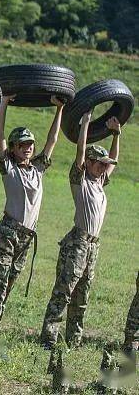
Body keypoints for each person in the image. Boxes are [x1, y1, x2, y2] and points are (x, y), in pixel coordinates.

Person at [0, 95, 65, 343]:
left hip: (27, 238)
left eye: (30, 145)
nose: (28, 148)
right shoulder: (9, 167)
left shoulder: (37, 169)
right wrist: (3, 104)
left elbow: (53, 140)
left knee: (8, 286)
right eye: (22, 144)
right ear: (14, 149)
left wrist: (59, 109)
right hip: (7, 233)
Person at [40, 113, 121, 349]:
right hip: (78, 243)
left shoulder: (100, 182)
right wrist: (85, 125)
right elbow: (79, 155)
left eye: (105, 165)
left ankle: (73, 340)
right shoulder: (81, 180)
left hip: (93, 246)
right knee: (64, 292)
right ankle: (48, 339)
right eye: (99, 163)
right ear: (89, 163)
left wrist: (117, 134)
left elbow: (114, 158)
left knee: (82, 296)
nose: (104, 166)